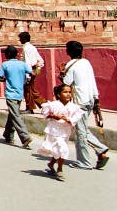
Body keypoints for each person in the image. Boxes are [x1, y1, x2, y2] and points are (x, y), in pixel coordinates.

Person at [61, 40, 109, 170]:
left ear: (69, 51)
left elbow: (66, 83)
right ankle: (101, 150)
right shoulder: (86, 62)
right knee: (83, 129)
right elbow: (92, 81)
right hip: (89, 100)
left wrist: (62, 74)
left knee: (80, 132)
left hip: (79, 102)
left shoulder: (70, 65)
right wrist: (96, 98)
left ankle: (85, 161)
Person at [39, 84, 83, 181]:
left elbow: (76, 117)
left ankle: (51, 164)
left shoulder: (73, 107)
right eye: (65, 92)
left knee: (57, 150)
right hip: (54, 131)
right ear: (59, 94)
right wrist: (54, 116)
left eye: (69, 92)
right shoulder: (53, 105)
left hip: (65, 132)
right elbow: (45, 114)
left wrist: (68, 119)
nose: (68, 94)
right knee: (63, 149)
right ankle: (60, 169)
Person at [0, 45, 33, 148]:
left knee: (15, 115)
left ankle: (25, 137)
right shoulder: (23, 64)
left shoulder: (5, 65)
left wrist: (7, 80)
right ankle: (8, 135)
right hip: (19, 94)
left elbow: (0, 78)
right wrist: (26, 80)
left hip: (10, 94)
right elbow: (31, 73)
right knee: (13, 114)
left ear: (7, 54)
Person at [19, 32, 47, 113]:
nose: (20, 40)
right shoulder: (33, 47)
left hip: (29, 72)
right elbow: (40, 60)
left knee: (29, 90)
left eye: (20, 39)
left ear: (24, 39)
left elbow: (27, 62)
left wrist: (28, 74)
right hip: (33, 70)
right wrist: (37, 68)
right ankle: (32, 107)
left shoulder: (26, 48)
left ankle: (43, 105)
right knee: (30, 90)